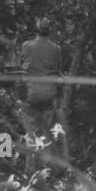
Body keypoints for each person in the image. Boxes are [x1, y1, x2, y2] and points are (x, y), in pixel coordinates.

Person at [20, 18, 65, 161]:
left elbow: (22, 67)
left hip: (31, 95)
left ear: (36, 30)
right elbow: (57, 71)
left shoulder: (27, 46)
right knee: (47, 132)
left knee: (32, 133)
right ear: (48, 31)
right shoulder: (56, 48)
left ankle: (30, 170)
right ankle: (48, 169)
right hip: (48, 95)